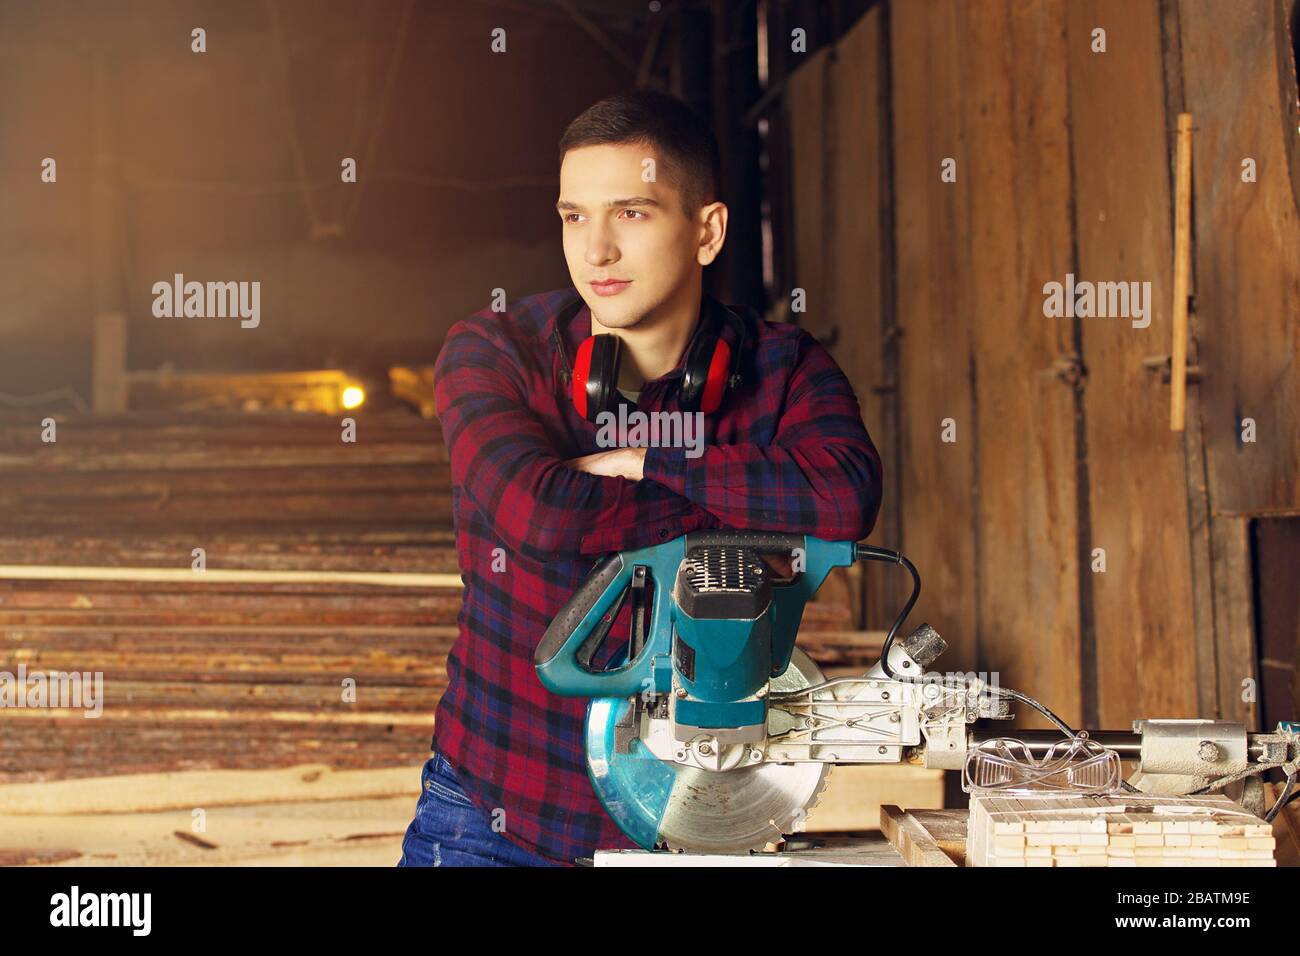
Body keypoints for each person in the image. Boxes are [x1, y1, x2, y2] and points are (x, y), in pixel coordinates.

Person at [398, 88, 882, 867]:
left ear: (708, 231)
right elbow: (540, 515)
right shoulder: (493, 353)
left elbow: (847, 498)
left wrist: (643, 462)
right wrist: (738, 508)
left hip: (700, 828)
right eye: (574, 217)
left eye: (632, 213)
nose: (596, 253)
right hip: (495, 819)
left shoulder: (787, 369)